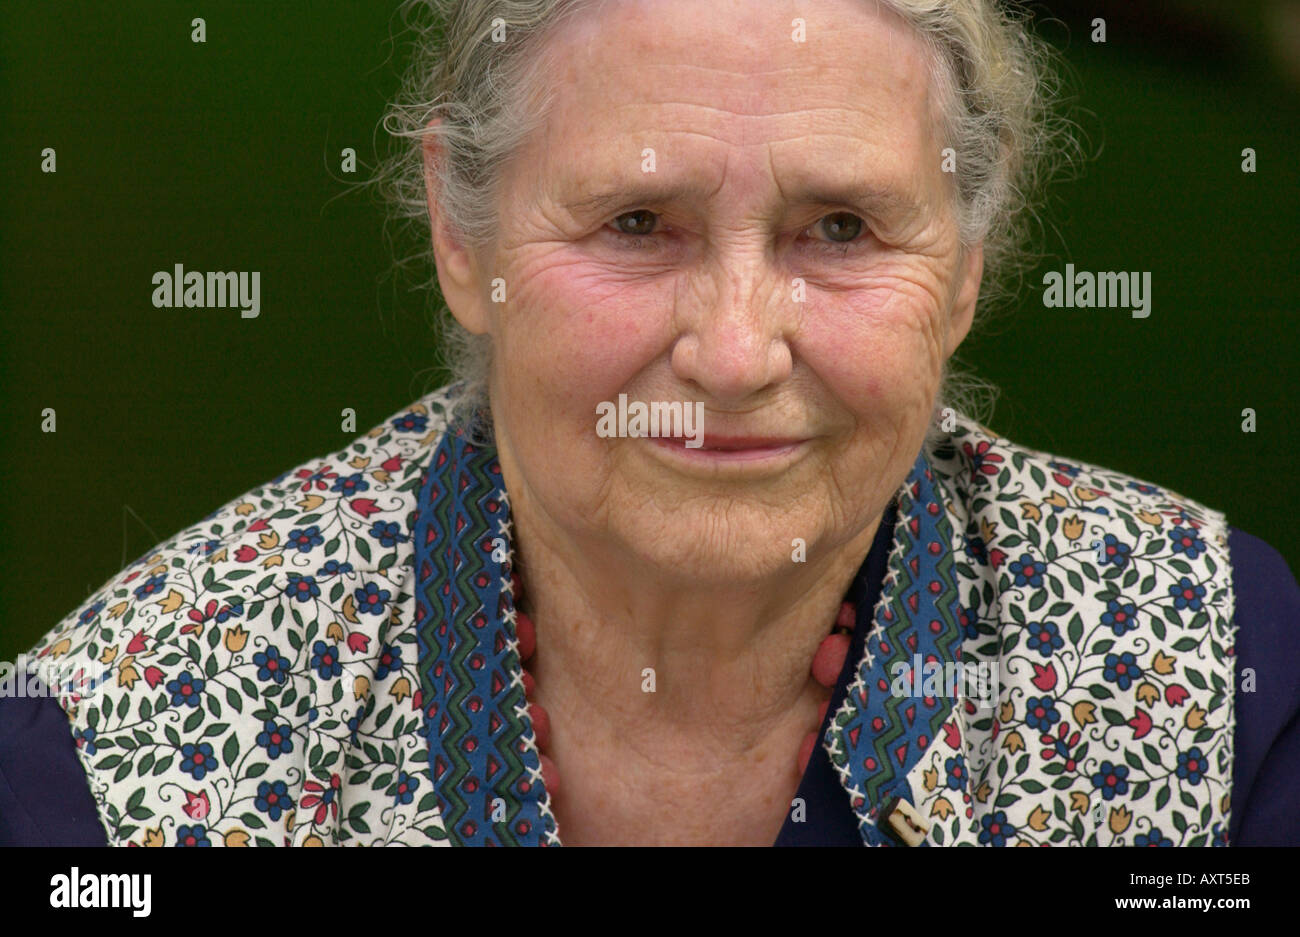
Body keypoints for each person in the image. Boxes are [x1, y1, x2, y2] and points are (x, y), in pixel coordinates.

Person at [3, 0, 1297, 846]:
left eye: (840, 228)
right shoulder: (112, 764)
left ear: (962, 264)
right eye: (636, 224)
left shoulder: (1214, 676)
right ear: (464, 235)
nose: (735, 352)